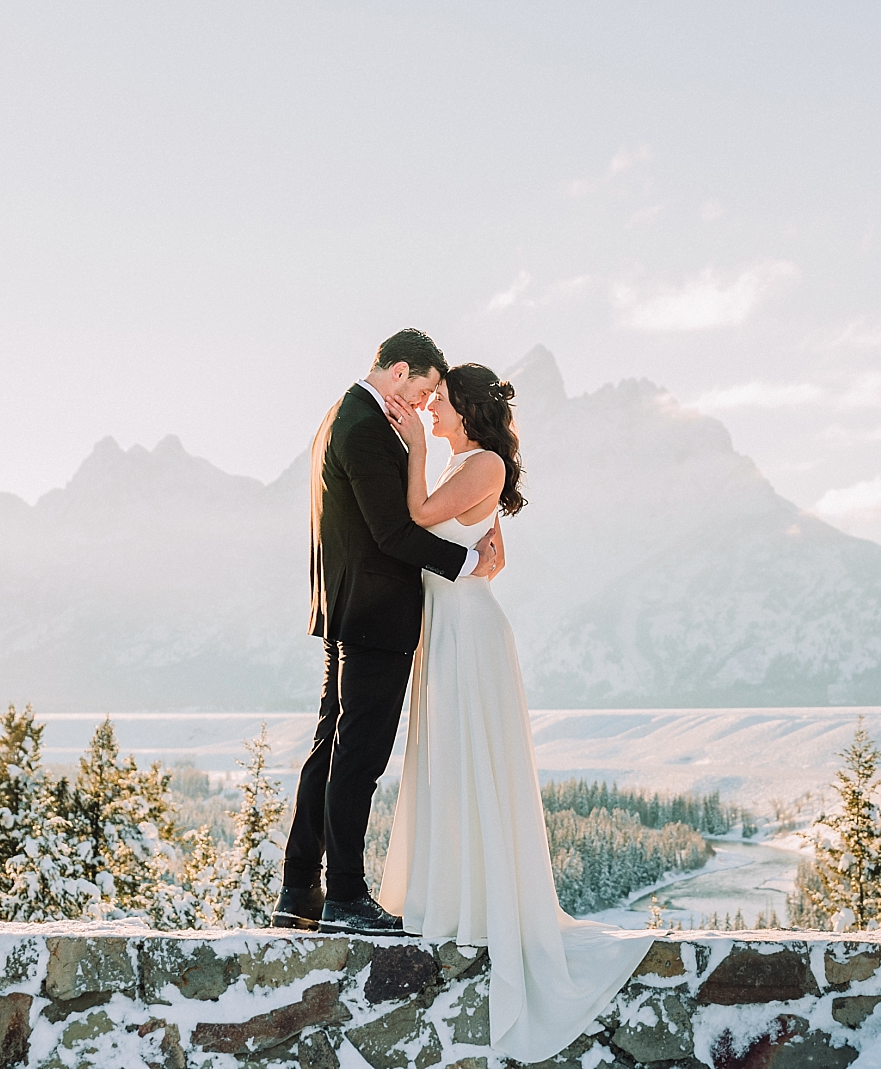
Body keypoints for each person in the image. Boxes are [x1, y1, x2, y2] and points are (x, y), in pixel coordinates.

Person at [378, 362, 654, 1062]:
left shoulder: (483, 463)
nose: (431, 408)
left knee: (470, 758)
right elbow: (478, 549)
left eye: (440, 401)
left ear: (467, 411)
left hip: (468, 629)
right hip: (449, 623)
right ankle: (459, 894)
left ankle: (484, 902)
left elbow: (419, 518)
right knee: (451, 761)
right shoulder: (469, 463)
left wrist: (415, 446)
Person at [273, 329, 501, 935]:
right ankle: (345, 896)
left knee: (331, 748)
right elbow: (392, 532)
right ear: (400, 371)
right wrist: (469, 563)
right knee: (359, 758)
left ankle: (300, 888)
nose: (425, 403)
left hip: (349, 608)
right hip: (375, 615)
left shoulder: (342, 414)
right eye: (425, 389)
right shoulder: (365, 427)